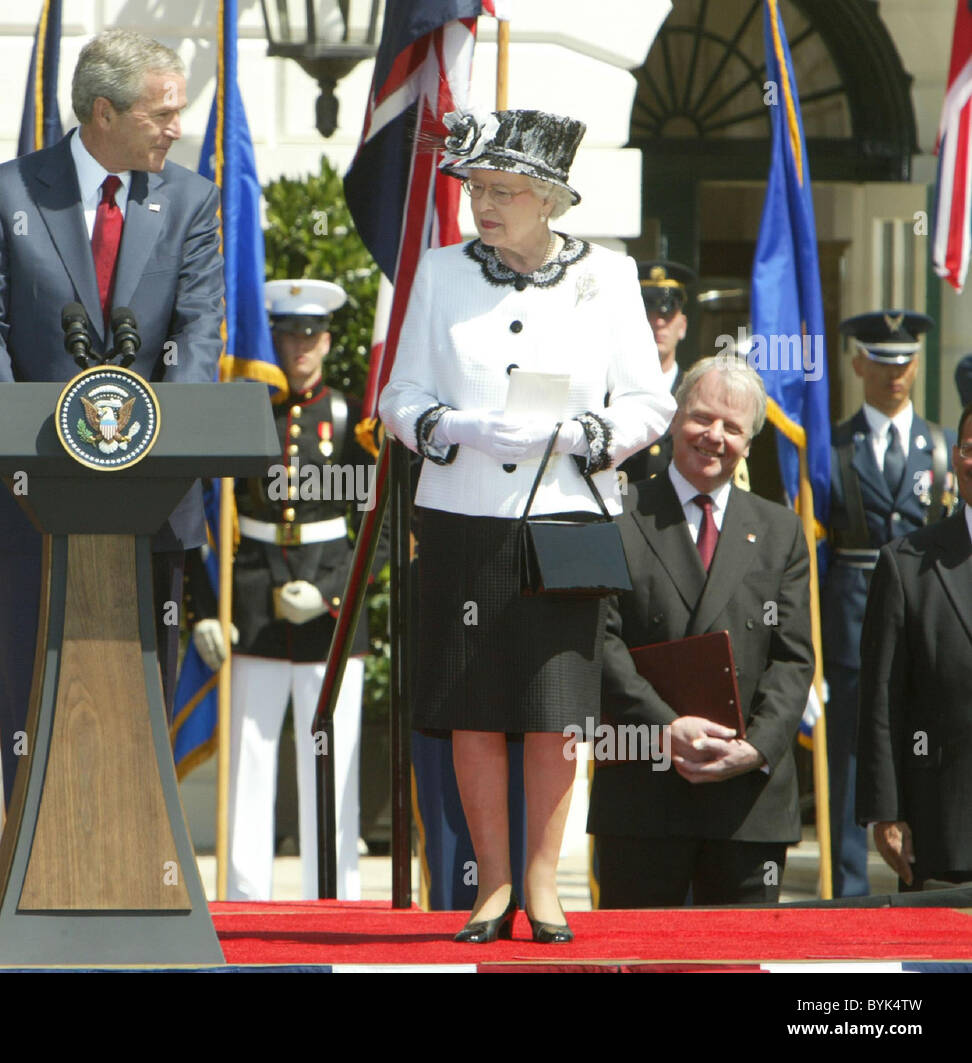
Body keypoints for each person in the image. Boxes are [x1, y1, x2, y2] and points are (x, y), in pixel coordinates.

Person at [379, 107, 674, 942]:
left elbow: (651, 403)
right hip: (464, 517)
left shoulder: (610, 277)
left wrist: (587, 436)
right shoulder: (439, 273)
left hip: (566, 516)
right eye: (476, 187)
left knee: (555, 712)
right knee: (474, 709)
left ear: (550, 200)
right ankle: (492, 887)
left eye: (503, 191)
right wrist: (455, 427)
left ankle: (544, 889)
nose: (484, 204)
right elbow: (396, 398)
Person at [0, 30, 223, 807]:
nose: (176, 127)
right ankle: (26, 904)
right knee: (36, 703)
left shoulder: (191, 201)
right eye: (162, 112)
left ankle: (143, 902)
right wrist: (42, 431)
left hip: (152, 498)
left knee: (139, 708)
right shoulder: (4, 195)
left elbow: (201, 330)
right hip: (34, 497)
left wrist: (164, 433)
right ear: (104, 111)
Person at [589, 357, 815, 907]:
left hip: (745, 803)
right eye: (702, 418)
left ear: (749, 442)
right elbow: (599, 641)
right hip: (643, 790)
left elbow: (792, 659)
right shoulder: (615, 512)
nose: (715, 436)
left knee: (733, 966)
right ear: (672, 419)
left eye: (733, 427)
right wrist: (666, 728)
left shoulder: (780, 530)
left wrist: (755, 748)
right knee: (637, 966)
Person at [189, 279, 377, 900]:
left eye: (311, 333)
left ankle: (335, 895)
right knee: (249, 757)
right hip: (253, 607)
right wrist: (203, 606)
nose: (300, 345)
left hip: (330, 612)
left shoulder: (350, 416)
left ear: (328, 340)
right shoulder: (245, 416)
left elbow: (375, 525)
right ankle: (245, 895)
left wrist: (327, 595)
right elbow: (209, 516)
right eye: (288, 332)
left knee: (332, 757)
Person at [822, 311, 957, 896]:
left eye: (903, 362)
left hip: (927, 618)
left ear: (917, 366)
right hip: (853, 616)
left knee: (929, 745)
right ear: (858, 365)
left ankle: (932, 870)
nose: (894, 374)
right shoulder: (829, 446)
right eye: (881, 362)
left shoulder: (945, 447)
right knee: (853, 751)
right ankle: (849, 887)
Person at [857, 402, 972, 891]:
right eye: (970, 448)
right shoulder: (907, 563)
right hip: (942, 833)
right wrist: (886, 812)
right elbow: (882, 696)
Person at [619, 260, 695, 484]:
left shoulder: (695, 394)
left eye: (668, 312)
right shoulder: (612, 389)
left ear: (682, 326)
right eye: (648, 311)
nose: (659, 322)